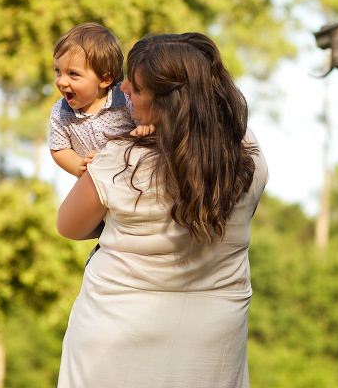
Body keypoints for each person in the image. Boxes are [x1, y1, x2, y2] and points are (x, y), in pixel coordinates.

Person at [56, 32, 268, 388]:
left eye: (136, 89)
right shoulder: (247, 157)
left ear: (167, 103)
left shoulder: (119, 161)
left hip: (115, 337)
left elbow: (69, 226)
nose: (122, 90)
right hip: (213, 341)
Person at [49, 22, 140, 262]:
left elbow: (144, 120)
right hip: (96, 187)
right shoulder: (61, 112)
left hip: (131, 181)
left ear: (105, 78)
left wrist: (145, 128)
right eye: (58, 71)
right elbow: (59, 148)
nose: (62, 81)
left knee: (130, 224)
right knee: (91, 226)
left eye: (73, 74)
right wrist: (78, 165)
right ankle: (104, 251)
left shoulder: (124, 100)